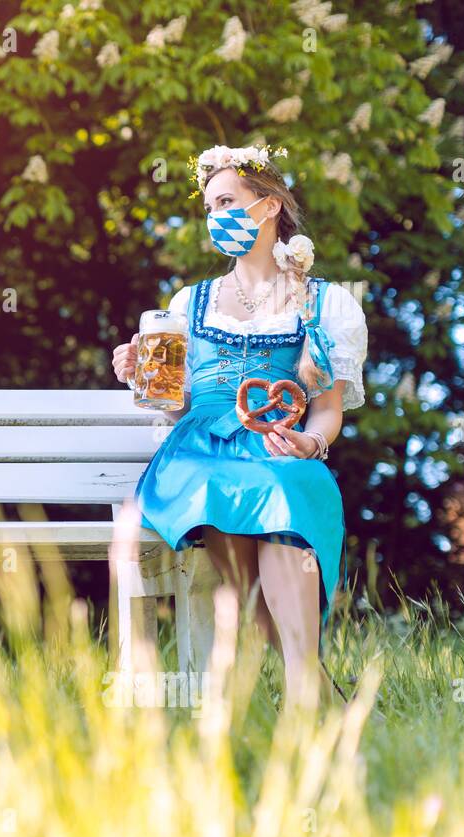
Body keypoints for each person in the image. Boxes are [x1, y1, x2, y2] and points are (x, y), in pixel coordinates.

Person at [112, 145, 368, 709]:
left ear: (269, 206)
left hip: (278, 447)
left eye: (227, 201)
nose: (214, 217)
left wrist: (311, 441)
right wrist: (139, 373)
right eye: (209, 207)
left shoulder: (323, 304)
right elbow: (170, 404)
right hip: (196, 454)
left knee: (285, 485)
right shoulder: (187, 303)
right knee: (229, 487)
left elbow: (326, 409)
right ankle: (314, 691)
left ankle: (306, 683)